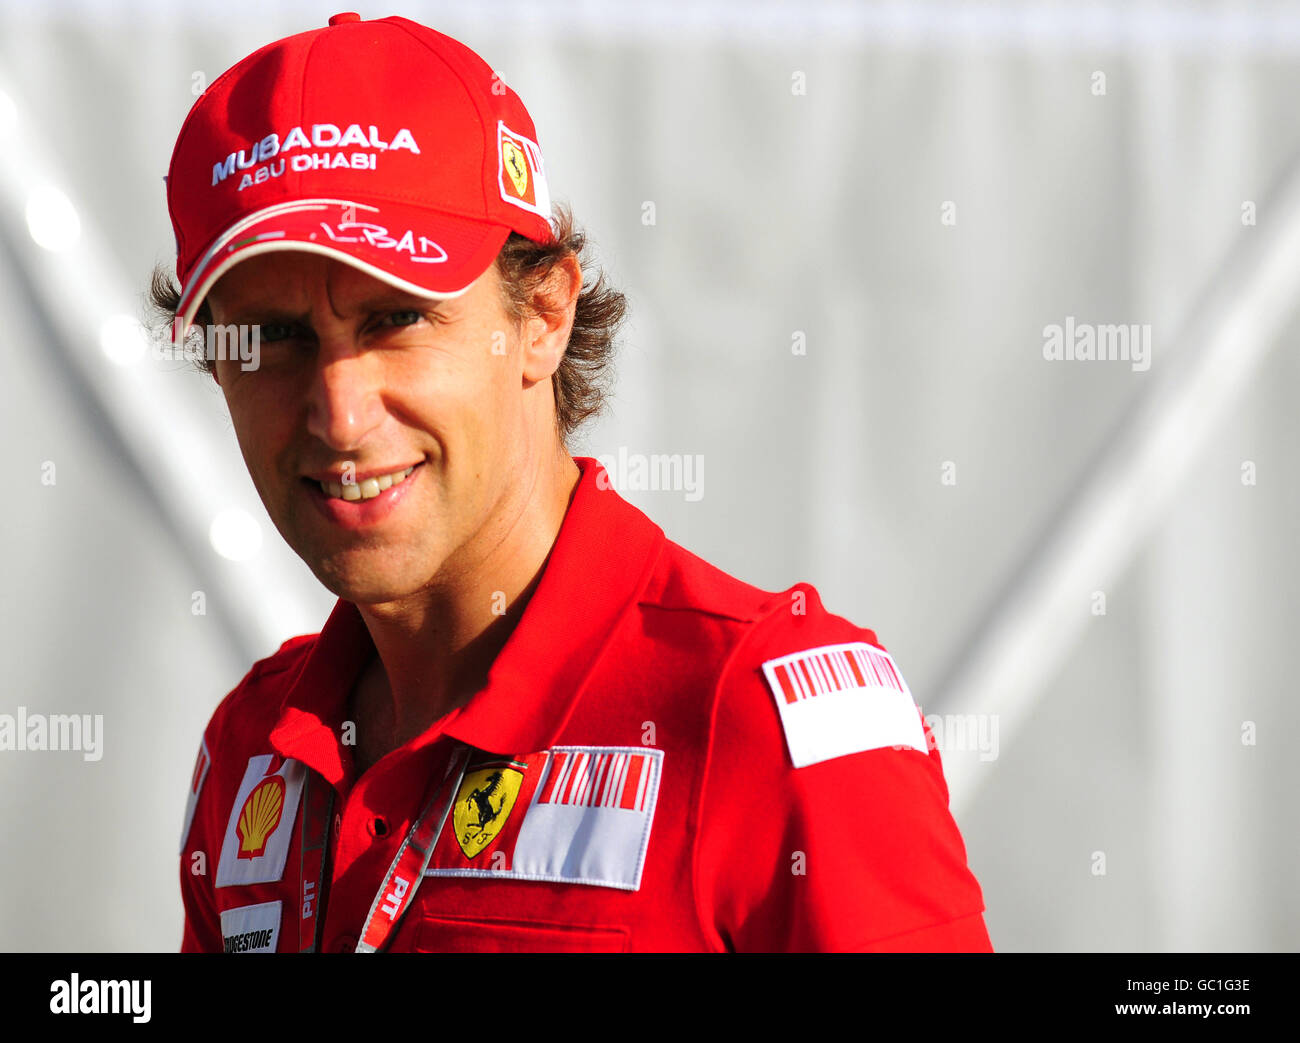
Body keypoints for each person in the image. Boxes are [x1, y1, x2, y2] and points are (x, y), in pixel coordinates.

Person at [159, 12, 993, 953]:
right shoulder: (254, 747)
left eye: (397, 318)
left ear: (544, 315)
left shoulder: (765, 719)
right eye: (274, 337)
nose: (339, 411)